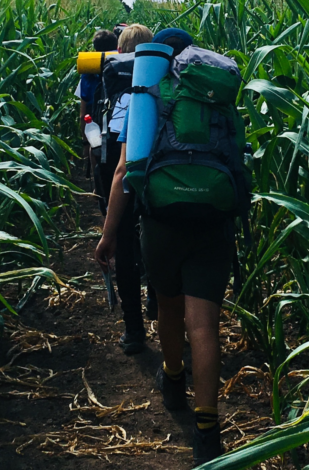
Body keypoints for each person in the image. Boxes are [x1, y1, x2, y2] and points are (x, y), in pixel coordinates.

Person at [94, 27, 230, 466]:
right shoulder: (215, 94)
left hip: (163, 221)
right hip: (214, 218)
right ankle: (208, 429)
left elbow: (122, 174)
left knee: (170, 309)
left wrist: (109, 234)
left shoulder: (146, 95)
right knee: (205, 323)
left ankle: (173, 381)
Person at [100, 23, 156, 354]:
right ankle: (156, 303)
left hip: (119, 169)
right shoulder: (158, 78)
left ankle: (134, 331)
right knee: (154, 239)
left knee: (124, 247)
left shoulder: (113, 78)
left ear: (119, 51)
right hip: (152, 169)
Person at [78, 29, 118, 180]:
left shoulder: (88, 71)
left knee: (94, 146)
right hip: (117, 124)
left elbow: (83, 114)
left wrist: (84, 142)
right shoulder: (125, 67)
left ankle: (97, 189)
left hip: (95, 121)